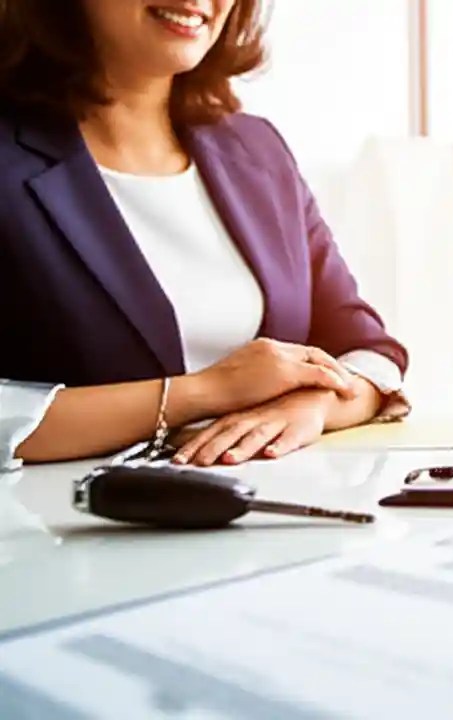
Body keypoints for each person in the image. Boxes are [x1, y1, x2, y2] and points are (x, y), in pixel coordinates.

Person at [0, 0, 408, 469]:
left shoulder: (257, 150)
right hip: (61, 530)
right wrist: (205, 392)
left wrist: (313, 406)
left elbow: (371, 353)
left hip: (273, 522)